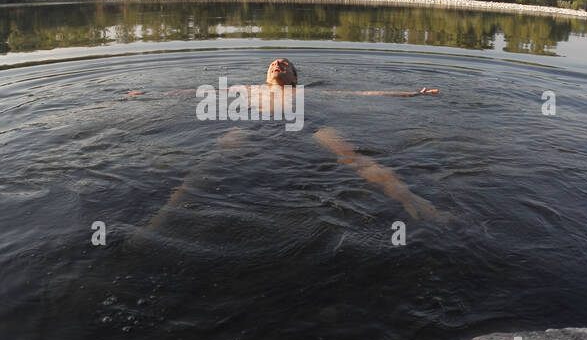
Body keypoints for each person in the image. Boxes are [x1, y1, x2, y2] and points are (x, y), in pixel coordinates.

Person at [129, 59, 446, 223]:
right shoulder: (247, 89)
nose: (277, 66)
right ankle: (167, 211)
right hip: (253, 125)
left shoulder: (301, 91)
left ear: (294, 78)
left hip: (306, 126)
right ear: (266, 75)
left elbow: (360, 93)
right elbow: (198, 93)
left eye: (284, 65)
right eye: (272, 65)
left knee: (355, 158)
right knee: (214, 158)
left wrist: (413, 94)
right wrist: (148, 95)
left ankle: (415, 203)